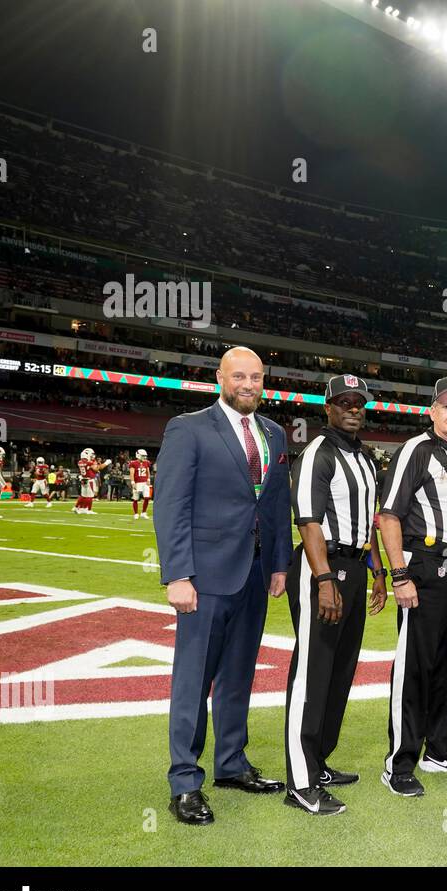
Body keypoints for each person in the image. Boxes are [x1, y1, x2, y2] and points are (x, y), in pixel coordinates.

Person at [154, 346, 292, 826]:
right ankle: (185, 782)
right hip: (206, 576)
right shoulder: (188, 428)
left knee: (238, 675)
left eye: (255, 376)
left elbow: (276, 505)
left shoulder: (273, 433)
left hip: (254, 573)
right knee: (193, 680)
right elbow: (170, 505)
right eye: (239, 376)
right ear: (220, 378)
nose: (248, 384)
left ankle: (231, 764)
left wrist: (279, 564)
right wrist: (177, 574)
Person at [284, 374, 387, 815]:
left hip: (354, 565)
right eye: (343, 401)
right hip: (321, 568)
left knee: (340, 671)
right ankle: (300, 782)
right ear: (327, 407)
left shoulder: (362, 457)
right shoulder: (316, 455)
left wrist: (377, 570)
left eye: (358, 402)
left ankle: (318, 760)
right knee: (312, 672)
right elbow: (308, 522)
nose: (352, 408)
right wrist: (324, 579)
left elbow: (370, 520)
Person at [377, 375, 447, 796]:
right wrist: (399, 574)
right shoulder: (415, 451)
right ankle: (400, 761)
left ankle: (441, 747)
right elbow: (389, 515)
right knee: (415, 667)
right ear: (432, 411)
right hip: (428, 564)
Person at [130, 448, 153, 519]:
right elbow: (132, 473)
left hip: (145, 482)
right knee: (135, 498)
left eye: (145, 456)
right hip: (137, 482)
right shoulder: (133, 463)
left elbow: (148, 471)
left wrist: (148, 479)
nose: (145, 457)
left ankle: (143, 512)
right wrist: (133, 482)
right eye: (143, 456)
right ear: (138, 455)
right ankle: (136, 513)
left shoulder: (147, 463)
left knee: (147, 497)